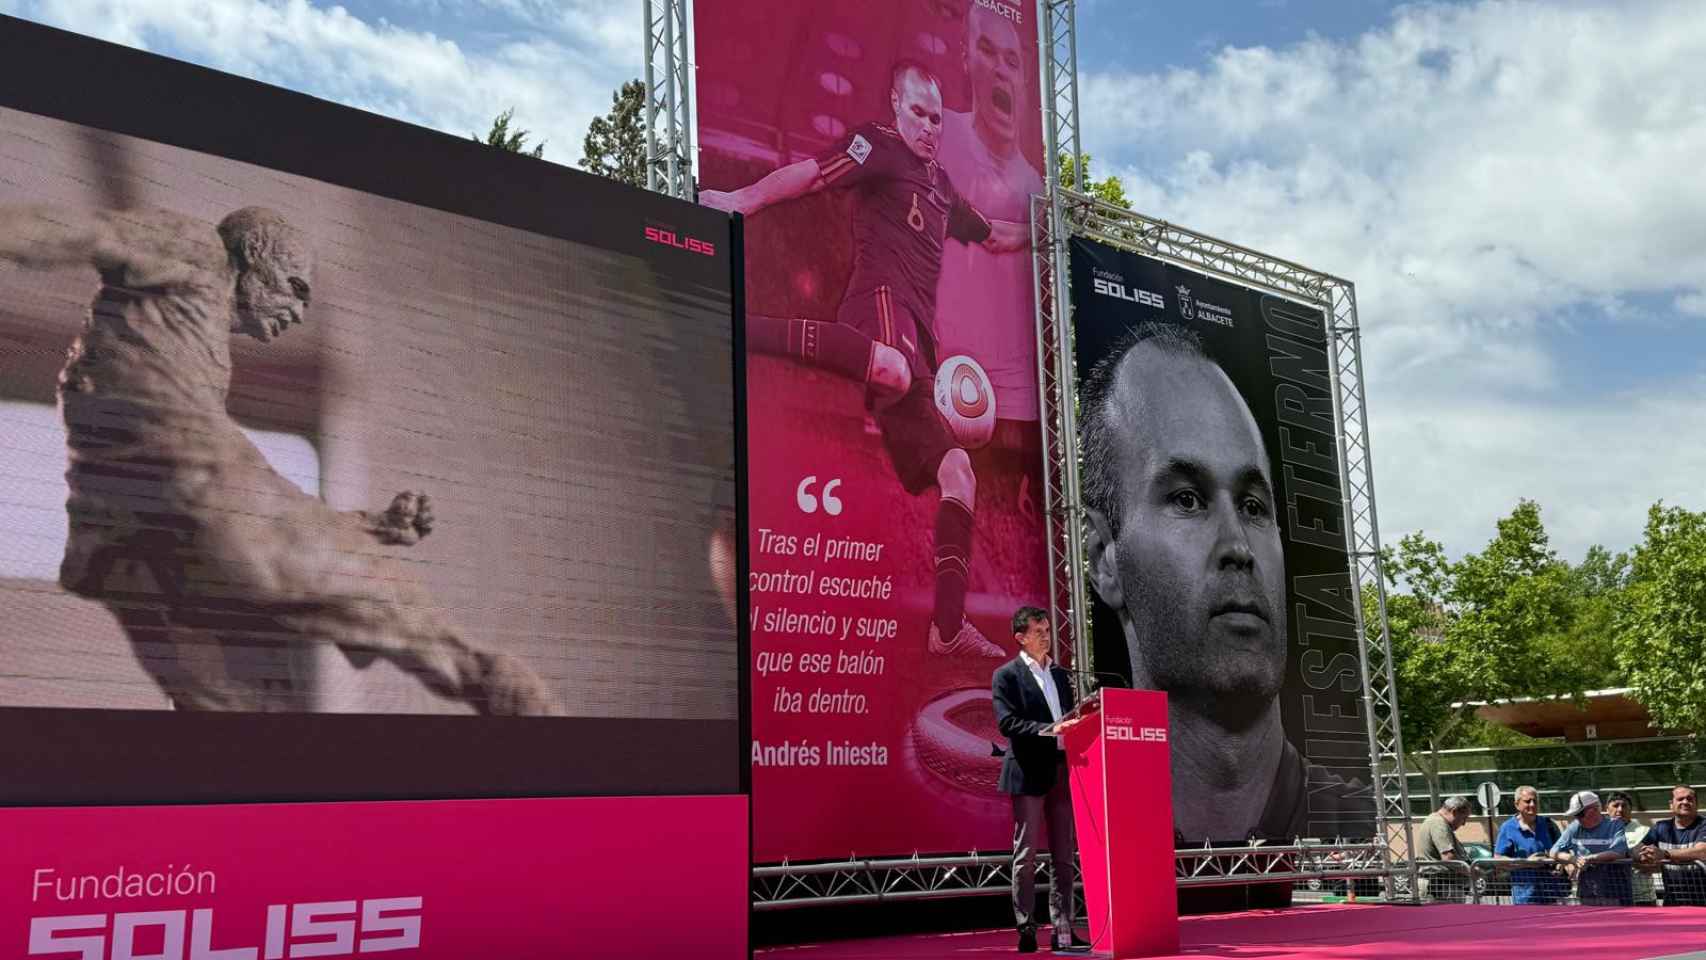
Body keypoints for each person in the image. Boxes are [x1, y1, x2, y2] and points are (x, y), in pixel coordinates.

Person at [0, 204, 557, 714]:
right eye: (294, 289)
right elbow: (78, 232)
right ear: (251, 257)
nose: (299, 310)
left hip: (127, 540)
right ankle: (502, 688)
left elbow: (258, 501)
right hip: (171, 509)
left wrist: (370, 525)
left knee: (238, 716)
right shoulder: (198, 249)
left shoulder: (189, 345)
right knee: (400, 622)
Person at [701, 61, 1027, 661]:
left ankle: (948, 627)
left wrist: (1047, 228)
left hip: (918, 344)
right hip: (876, 307)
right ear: (896, 106)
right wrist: (737, 200)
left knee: (960, 474)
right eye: (918, 113)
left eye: (936, 118)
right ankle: (740, 328)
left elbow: (998, 235)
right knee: (894, 369)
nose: (929, 127)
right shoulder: (877, 146)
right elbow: (810, 176)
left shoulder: (941, 186)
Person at [1078, 321, 1369, 842]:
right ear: (1105, 559)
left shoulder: (1355, 828)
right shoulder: (1083, 831)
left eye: (1254, 507)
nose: (1237, 547)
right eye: (1187, 499)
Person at [933, 0, 1045, 433]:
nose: (1001, 69)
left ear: (1022, 79)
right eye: (987, 51)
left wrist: (1025, 232)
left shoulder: (1036, 189)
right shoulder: (939, 134)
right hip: (938, 368)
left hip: (1013, 393)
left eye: (1012, 60)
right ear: (966, 59)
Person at [992, 607, 1089, 953]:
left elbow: (1070, 717)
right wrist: (1050, 730)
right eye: (1038, 631)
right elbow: (1008, 724)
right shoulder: (1006, 675)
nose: (1047, 636)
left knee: (1064, 855)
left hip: (1061, 771)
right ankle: (1026, 928)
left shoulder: (1061, 675)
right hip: (1027, 772)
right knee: (1027, 854)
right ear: (1020, 637)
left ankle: (1063, 929)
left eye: (1048, 629)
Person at [1551, 790, 1633, 905]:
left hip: (1617, 893)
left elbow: (1618, 852)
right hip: (1587, 894)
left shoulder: (1615, 825)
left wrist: (1589, 858)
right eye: (1576, 815)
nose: (1577, 818)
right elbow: (1554, 851)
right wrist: (1572, 859)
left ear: (1595, 809)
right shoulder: (1574, 827)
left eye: (1580, 814)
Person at [1635, 785, 1706, 906]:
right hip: (1672, 902)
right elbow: (1638, 847)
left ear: (1696, 804)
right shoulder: (1661, 827)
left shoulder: (1703, 825)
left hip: (1702, 902)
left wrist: (1664, 854)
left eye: (1690, 799)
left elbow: (1702, 851)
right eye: (1680, 799)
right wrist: (1643, 856)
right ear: (1671, 804)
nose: (1685, 802)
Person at [1493, 785, 1564, 904]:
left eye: (1535, 801)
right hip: (1525, 898)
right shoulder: (1508, 828)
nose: (1532, 804)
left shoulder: (1548, 824)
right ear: (1516, 804)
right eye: (1527, 801)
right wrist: (1527, 862)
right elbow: (1498, 860)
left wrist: (1559, 865)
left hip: (1551, 895)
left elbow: (1561, 851)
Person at [1415, 796, 1472, 902]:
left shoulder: (1435, 820)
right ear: (1454, 811)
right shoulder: (1439, 824)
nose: (1464, 823)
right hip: (1441, 887)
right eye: (1464, 818)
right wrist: (1472, 871)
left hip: (1440, 885)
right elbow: (1448, 858)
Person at [1606, 791, 1656, 905]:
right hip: (1610, 896)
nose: (1619, 809)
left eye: (1624, 806)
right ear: (1607, 809)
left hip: (1641, 898)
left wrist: (1631, 858)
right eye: (1615, 805)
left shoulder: (1644, 832)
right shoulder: (1599, 832)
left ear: (1630, 809)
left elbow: (1653, 865)